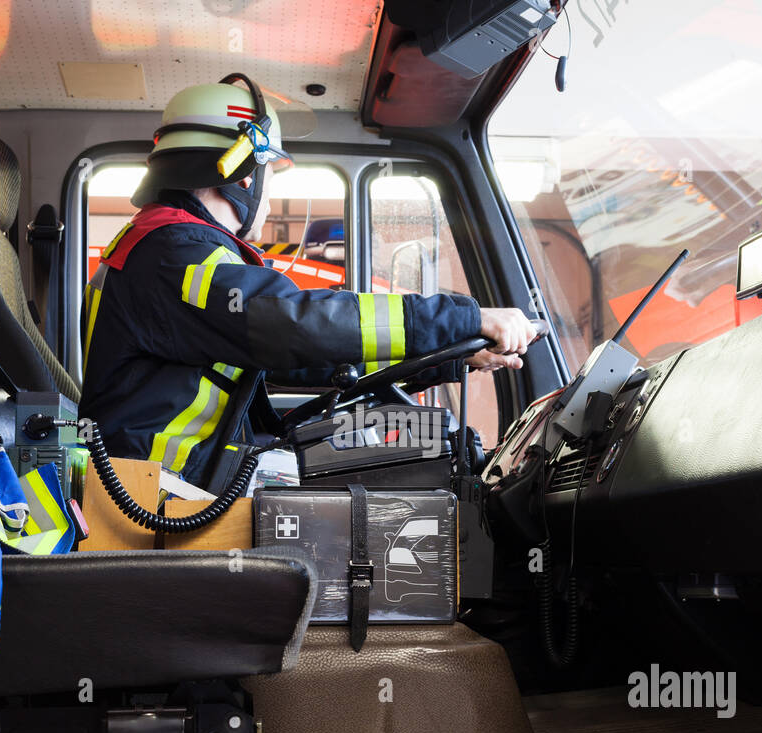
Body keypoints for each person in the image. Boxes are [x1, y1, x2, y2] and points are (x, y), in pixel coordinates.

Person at [78, 73, 536, 489]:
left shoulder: (168, 244)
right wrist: (462, 318)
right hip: (154, 497)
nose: (268, 199)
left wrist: (445, 358)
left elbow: (308, 360)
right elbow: (296, 324)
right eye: (269, 177)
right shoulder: (173, 253)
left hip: (172, 482)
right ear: (243, 176)